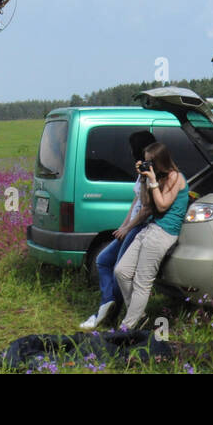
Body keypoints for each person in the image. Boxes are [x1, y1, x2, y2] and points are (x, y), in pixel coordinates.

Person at [79, 131, 155, 330]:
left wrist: (129, 227)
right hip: (131, 224)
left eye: (131, 148)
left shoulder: (151, 173)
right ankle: (108, 303)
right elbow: (136, 201)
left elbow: (147, 209)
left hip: (140, 226)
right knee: (103, 260)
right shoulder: (141, 173)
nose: (129, 152)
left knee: (120, 270)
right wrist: (123, 224)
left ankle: (108, 312)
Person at [113, 140, 189, 331]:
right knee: (121, 271)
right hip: (150, 228)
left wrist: (153, 180)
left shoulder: (175, 177)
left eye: (150, 162)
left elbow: (162, 205)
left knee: (142, 282)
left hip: (164, 232)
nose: (148, 165)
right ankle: (140, 316)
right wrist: (144, 179)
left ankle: (127, 328)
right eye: (146, 162)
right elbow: (147, 204)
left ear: (160, 161)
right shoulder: (157, 177)